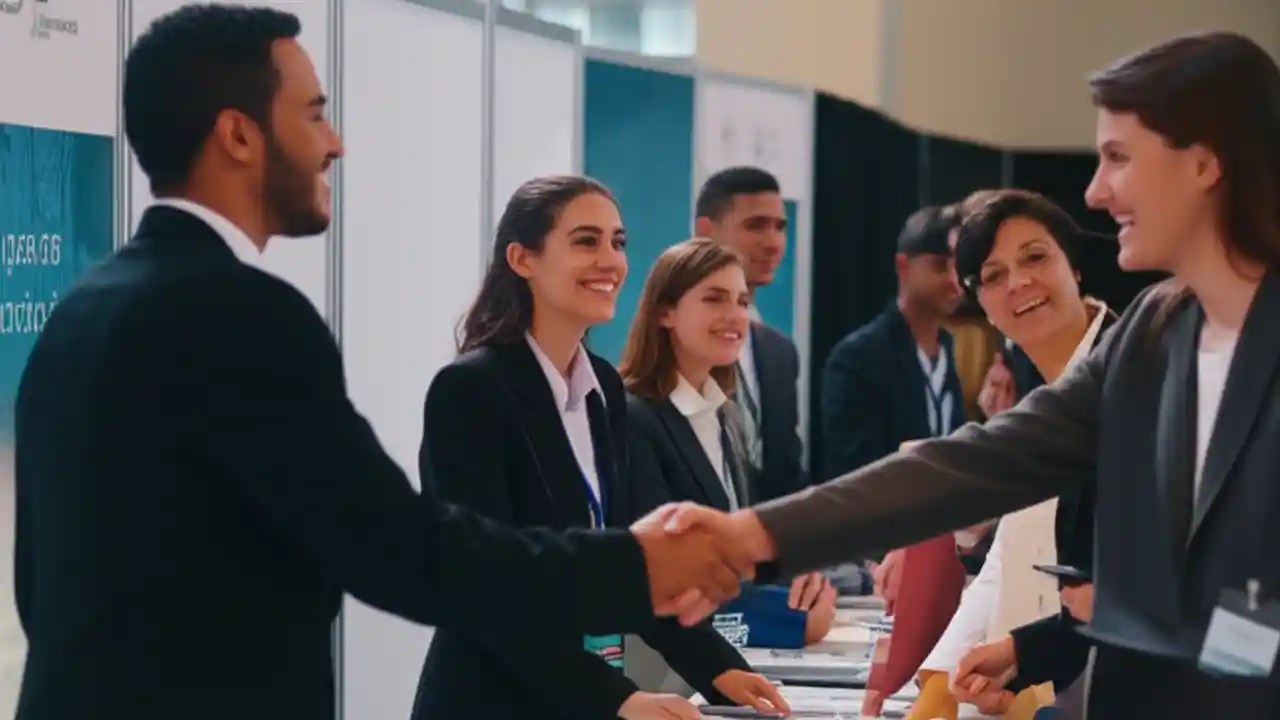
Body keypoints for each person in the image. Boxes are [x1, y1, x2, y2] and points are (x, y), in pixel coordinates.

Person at [10, 7, 749, 719]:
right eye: (313, 114)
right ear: (238, 134)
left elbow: (37, 582)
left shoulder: (82, 310)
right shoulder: (244, 314)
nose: (336, 143)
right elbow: (396, 546)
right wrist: (632, 565)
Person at [660, 30, 1280, 718]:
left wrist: (1135, 612)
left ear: (1204, 163)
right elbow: (974, 465)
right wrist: (750, 537)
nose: (1096, 191)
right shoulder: (1152, 335)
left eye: (1117, 157)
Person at [414, 179, 788, 720]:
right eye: (586, 241)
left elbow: (629, 565)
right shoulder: (472, 391)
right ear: (522, 258)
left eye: (618, 242)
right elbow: (484, 593)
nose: (610, 260)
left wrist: (715, 666)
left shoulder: (604, 392)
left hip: (583, 695)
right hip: (493, 700)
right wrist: (619, 699)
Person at [909, 190, 1117, 720]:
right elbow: (1013, 549)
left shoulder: (1128, 376)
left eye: (1034, 258)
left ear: (1074, 266)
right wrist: (952, 676)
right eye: (994, 275)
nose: (1018, 283)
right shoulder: (1050, 389)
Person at [622, 238, 836, 647]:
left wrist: (791, 572)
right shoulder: (632, 419)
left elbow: (734, 550)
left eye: (741, 301)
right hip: (660, 665)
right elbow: (666, 575)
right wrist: (793, 623)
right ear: (665, 312)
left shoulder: (726, 417)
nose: (734, 315)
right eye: (715, 299)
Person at [695, 167, 829, 612]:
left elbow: (785, 478)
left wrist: (806, 560)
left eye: (780, 226)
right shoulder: (678, 350)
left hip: (768, 585)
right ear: (705, 232)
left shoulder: (777, 352)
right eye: (755, 226)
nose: (773, 242)